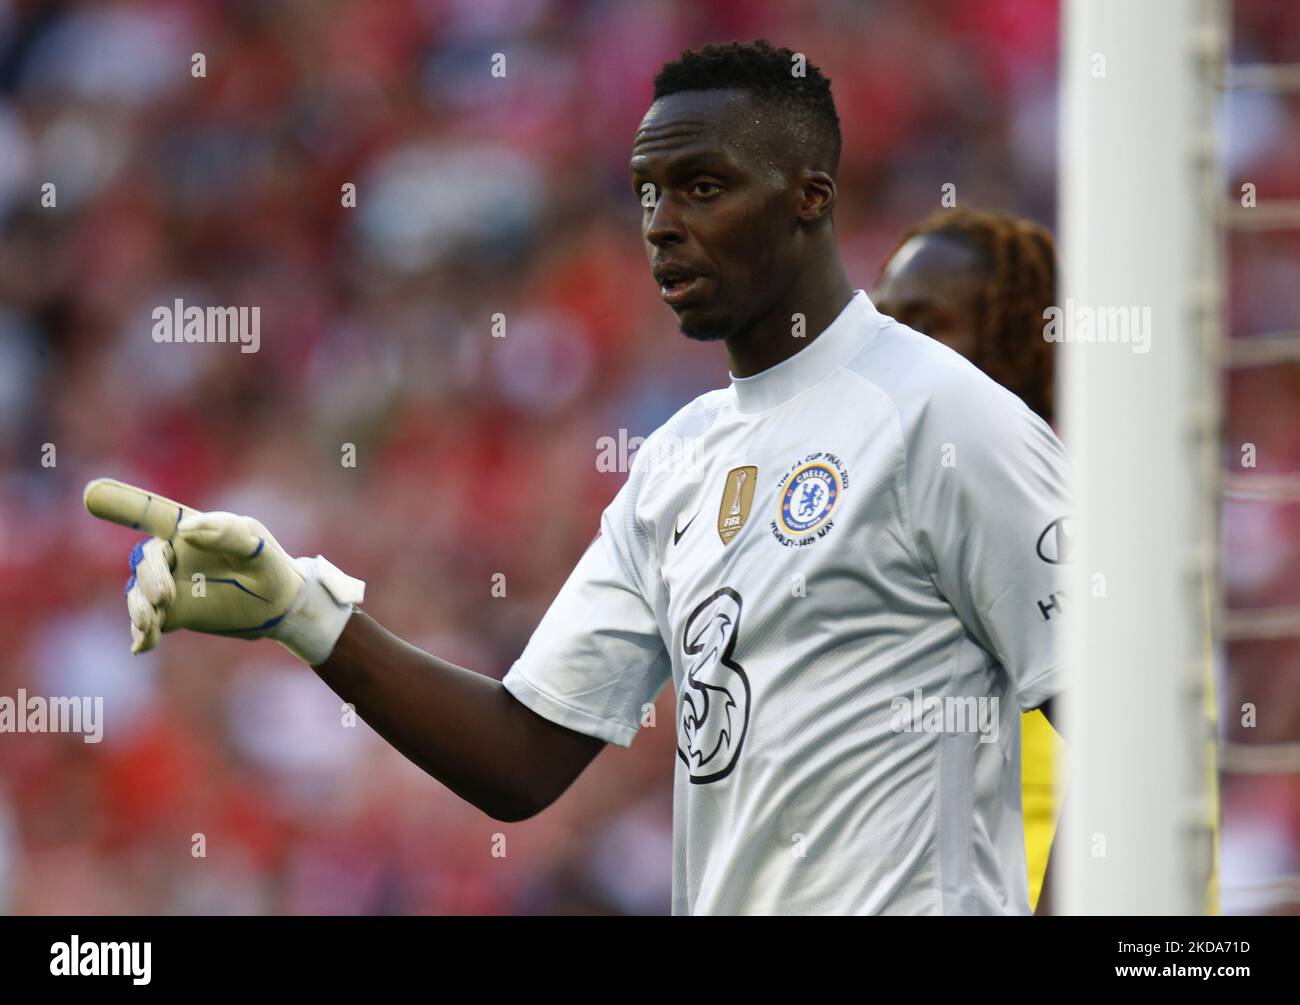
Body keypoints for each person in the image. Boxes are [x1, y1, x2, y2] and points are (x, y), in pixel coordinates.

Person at [86, 40, 1071, 915]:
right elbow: (523, 756)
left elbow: (1121, 720)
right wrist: (305, 613)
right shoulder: (678, 461)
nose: (662, 225)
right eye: (647, 192)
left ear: (809, 194)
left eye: (703, 186)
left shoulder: (947, 417)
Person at [873, 207, 1063, 913]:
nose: (889, 347)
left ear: (1014, 341)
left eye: (924, 324)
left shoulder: (1077, 514)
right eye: (880, 321)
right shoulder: (900, 506)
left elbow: (1126, 746)